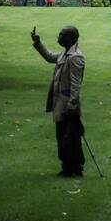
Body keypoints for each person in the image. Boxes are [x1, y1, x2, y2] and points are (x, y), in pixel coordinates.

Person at [30, 24, 86, 177]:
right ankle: (70, 166)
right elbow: (49, 57)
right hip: (60, 104)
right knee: (62, 136)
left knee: (69, 137)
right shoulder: (64, 54)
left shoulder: (75, 57)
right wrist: (38, 43)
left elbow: (76, 84)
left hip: (68, 106)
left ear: (70, 38)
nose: (58, 37)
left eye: (61, 35)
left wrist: (71, 106)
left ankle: (72, 167)